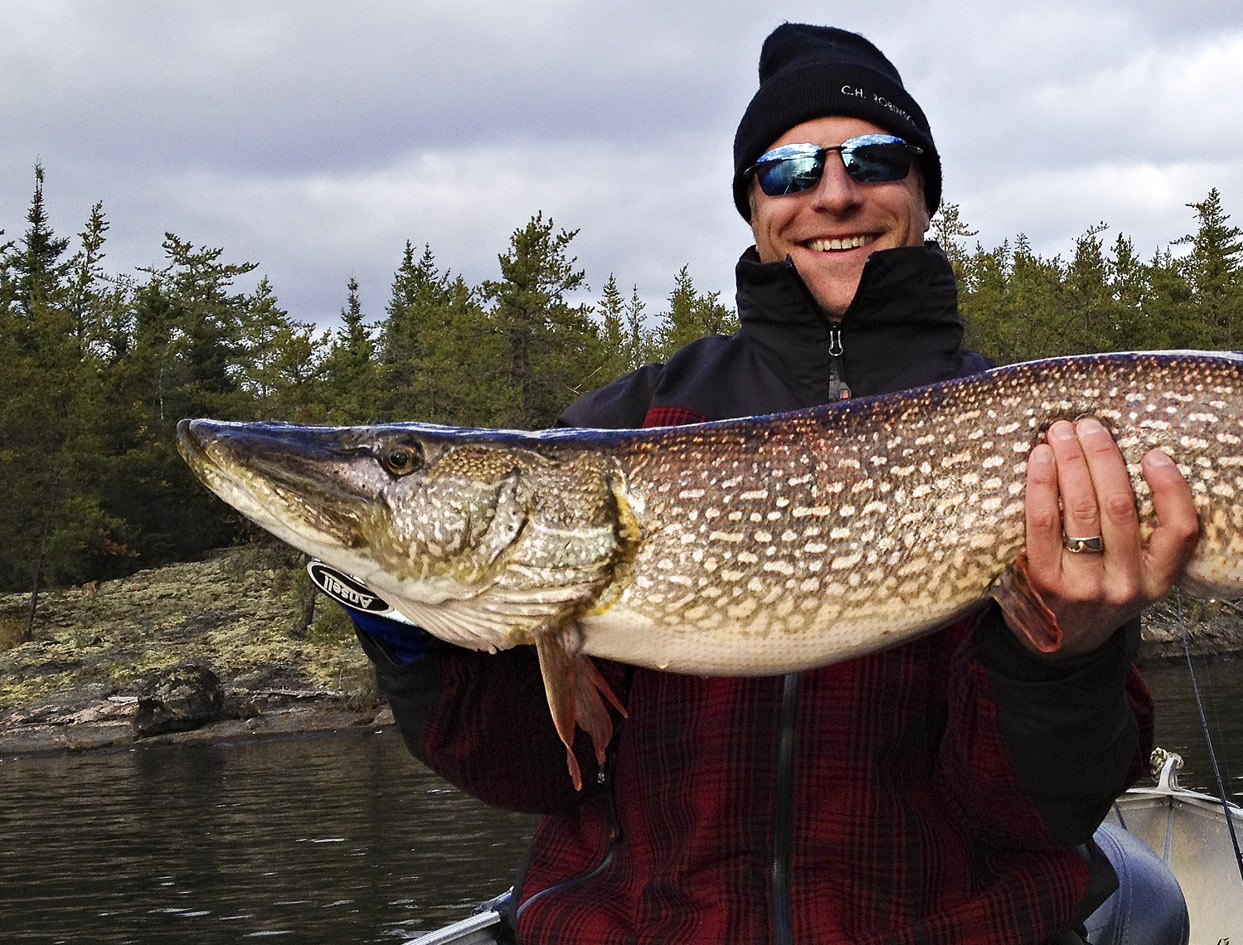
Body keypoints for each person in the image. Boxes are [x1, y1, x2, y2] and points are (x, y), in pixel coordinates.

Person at [342, 23, 1199, 945]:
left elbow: (1033, 814)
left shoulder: (1038, 444)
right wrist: (407, 634)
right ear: (754, 207)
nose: (833, 195)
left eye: (872, 159)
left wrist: (1067, 657)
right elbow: (537, 771)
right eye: (789, 172)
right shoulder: (629, 424)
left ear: (922, 191)